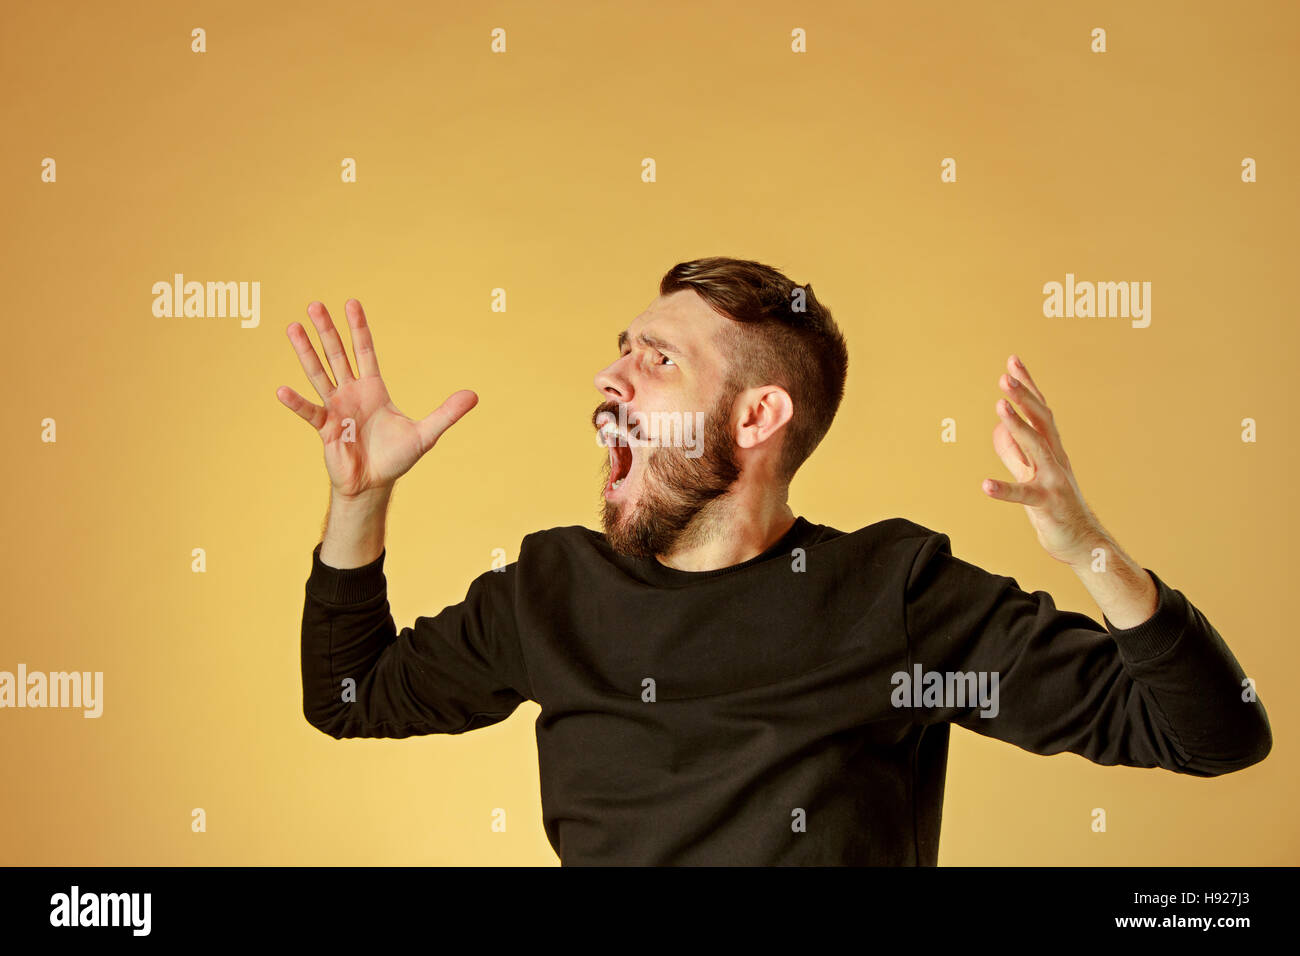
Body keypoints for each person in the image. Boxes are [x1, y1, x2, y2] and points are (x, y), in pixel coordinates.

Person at [277, 256, 1271, 865]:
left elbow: (1212, 732)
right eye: (620, 345)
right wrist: (359, 498)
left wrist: (1086, 546)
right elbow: (351, 696)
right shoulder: (552, 592)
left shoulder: (895, 595)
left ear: (758, 415)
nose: (608, 373)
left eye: (657, 358)